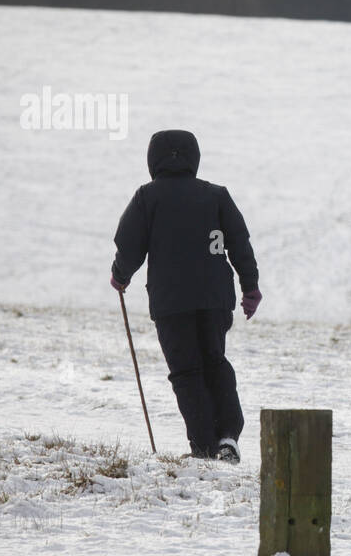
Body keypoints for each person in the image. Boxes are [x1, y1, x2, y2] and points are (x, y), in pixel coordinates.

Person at [110, 129, 261, 463]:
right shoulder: (217, 196)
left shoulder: (147, 198)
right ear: (194, 157)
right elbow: (239, 242)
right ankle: (228, 437)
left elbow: (129, 246)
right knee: (215, 361)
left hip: (171, 302)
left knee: (186, 372)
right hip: (214, 298)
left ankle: (205, 447)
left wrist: (120, 276)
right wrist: (250, 287)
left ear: (153, 159)